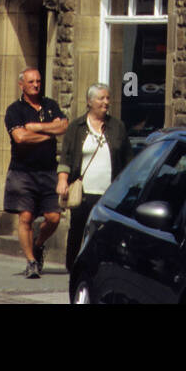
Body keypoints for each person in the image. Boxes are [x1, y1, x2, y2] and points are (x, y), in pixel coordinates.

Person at [57, 83, 129, 273]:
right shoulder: (77, 127)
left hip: (109, 192)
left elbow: (127, 160)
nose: (106, 102)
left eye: (108, 98)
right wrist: (62, 180)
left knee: (105, 232)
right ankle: (73, 268)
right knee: (78, 229)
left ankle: (102, 268)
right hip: (84, 192)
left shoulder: (117, 127)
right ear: (90, 101)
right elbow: (66, 156)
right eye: (101, 98)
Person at [4, 68, 68, 277]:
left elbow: (64, 126)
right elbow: (20, 138)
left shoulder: (50, 105)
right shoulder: (15, 110)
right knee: (26, 217)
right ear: (21, 84)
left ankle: (38, 244)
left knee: (54, 217)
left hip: (48, 171)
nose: (36, 85)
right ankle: (31, 261)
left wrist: (36, 128)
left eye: (38, 81)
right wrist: (48, 134)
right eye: (31, 82)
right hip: (23, 171)